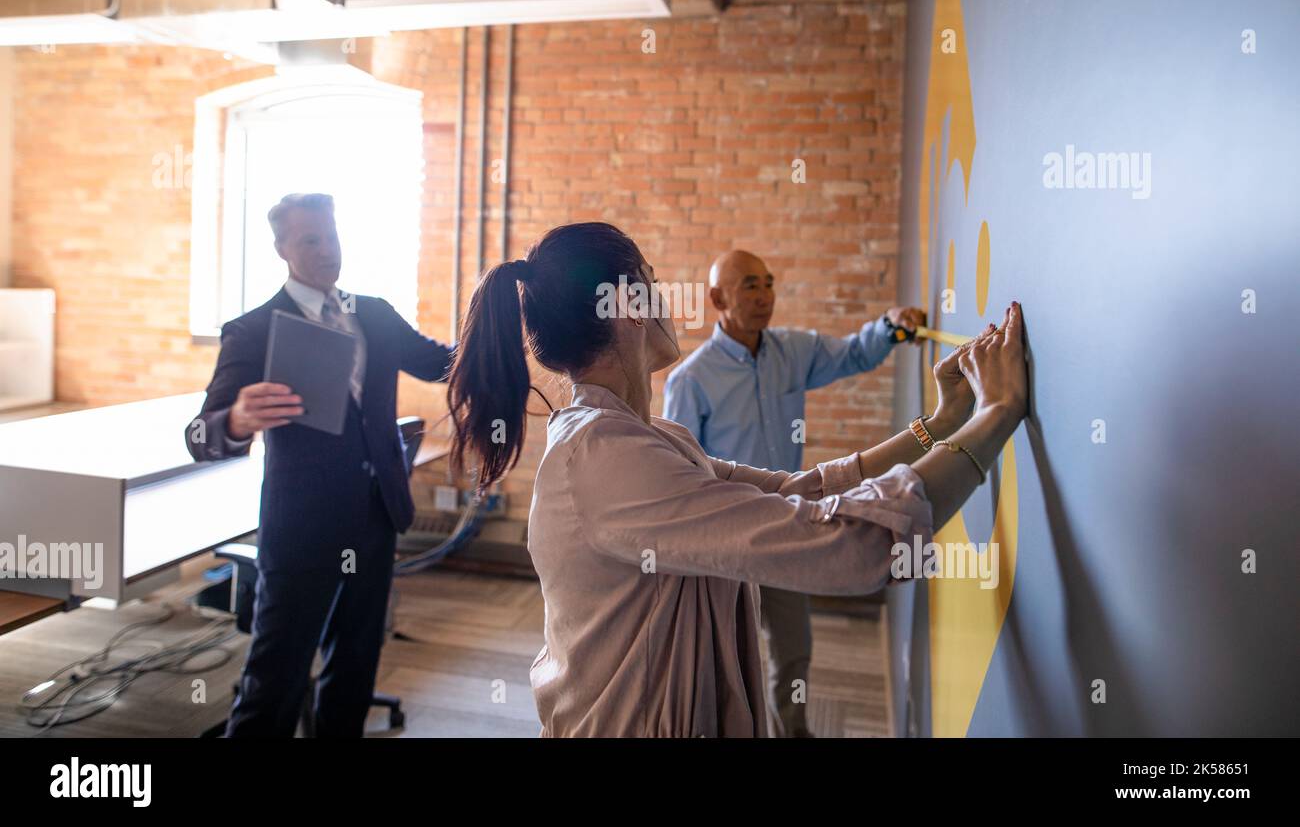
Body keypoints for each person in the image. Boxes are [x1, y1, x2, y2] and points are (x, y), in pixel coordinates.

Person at [447, 221, 1028, 737]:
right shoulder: (605, 456)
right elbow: (858, 545)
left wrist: (943, 423)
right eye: (652, 281)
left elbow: (799, 489)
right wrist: (996, 414)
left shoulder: (656, 437)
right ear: (625, 304)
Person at [186, 192, 454, 737]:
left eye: (331, 236)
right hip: (302, 526)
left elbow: (442, 362)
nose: (327, 249)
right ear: (282, 248)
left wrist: (499, 317)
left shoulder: (373, 313)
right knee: (276, 678)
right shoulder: (254, 328)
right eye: (310, 239)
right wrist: (236, 419)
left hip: (375, 516)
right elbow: (199, 434)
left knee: (354, 667)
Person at [663, 249, 926, 737]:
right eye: (750, 286)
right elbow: (681, 476)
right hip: (723, 541)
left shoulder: (793, 351)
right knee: (722, 659)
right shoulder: (691, 380)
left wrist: (890, 326)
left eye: (769, 283)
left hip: (787, 526)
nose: (765, 296)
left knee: (794, 647)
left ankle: (795, 730)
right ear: (718, 298)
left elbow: (853, 353)